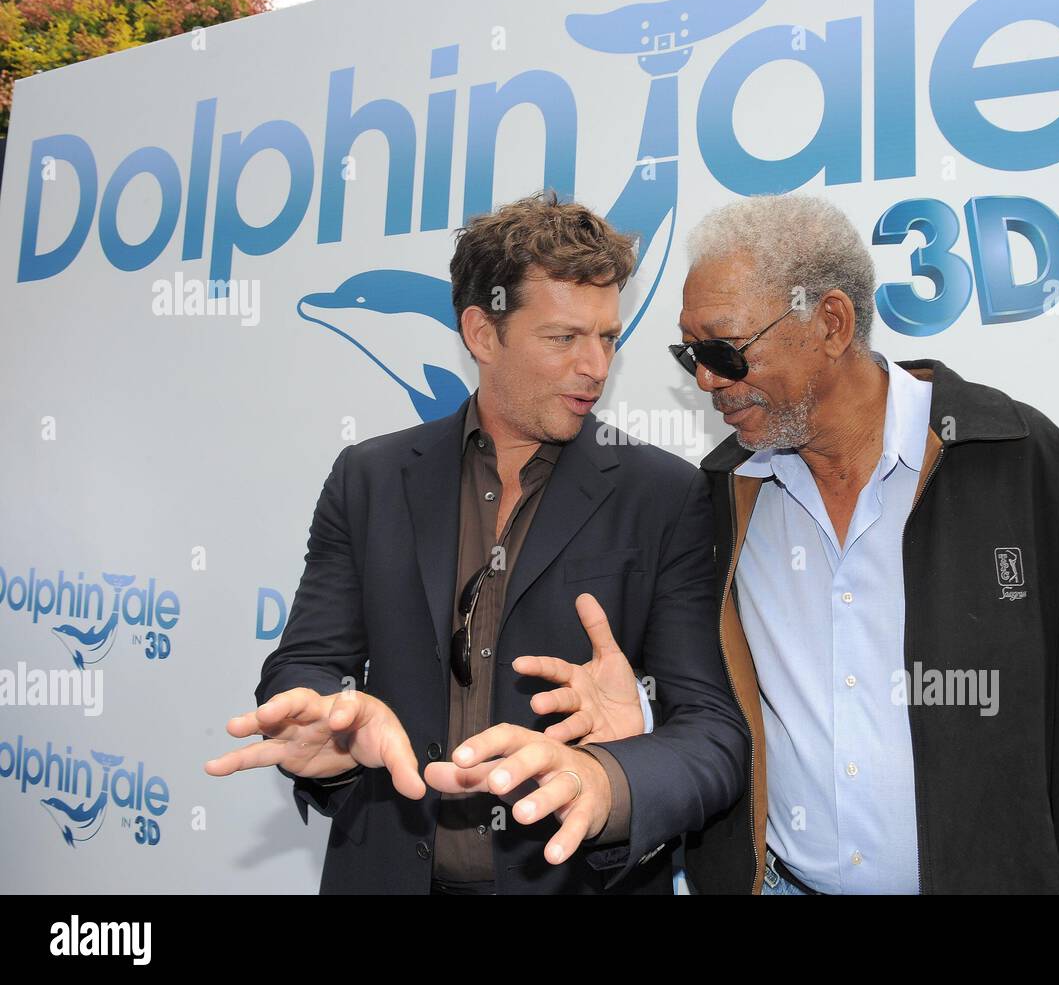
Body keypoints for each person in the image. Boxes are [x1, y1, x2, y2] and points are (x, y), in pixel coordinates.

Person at [530, 193, 1059, 894]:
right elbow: (716, 707)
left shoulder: (1013, 457)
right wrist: (646, 716)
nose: (707, 380)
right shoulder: (719, 497)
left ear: (831, 322)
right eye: (691, 354)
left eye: (724, 349)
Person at [205, 190, 747, 894]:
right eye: (564, 337)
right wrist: (338, 730)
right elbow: (306, 665)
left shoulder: (664, 495)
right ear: (482, 333)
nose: (596, 367)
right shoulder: (370, 477)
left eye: (608, 336)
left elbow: (712, 732)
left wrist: (605, 779)